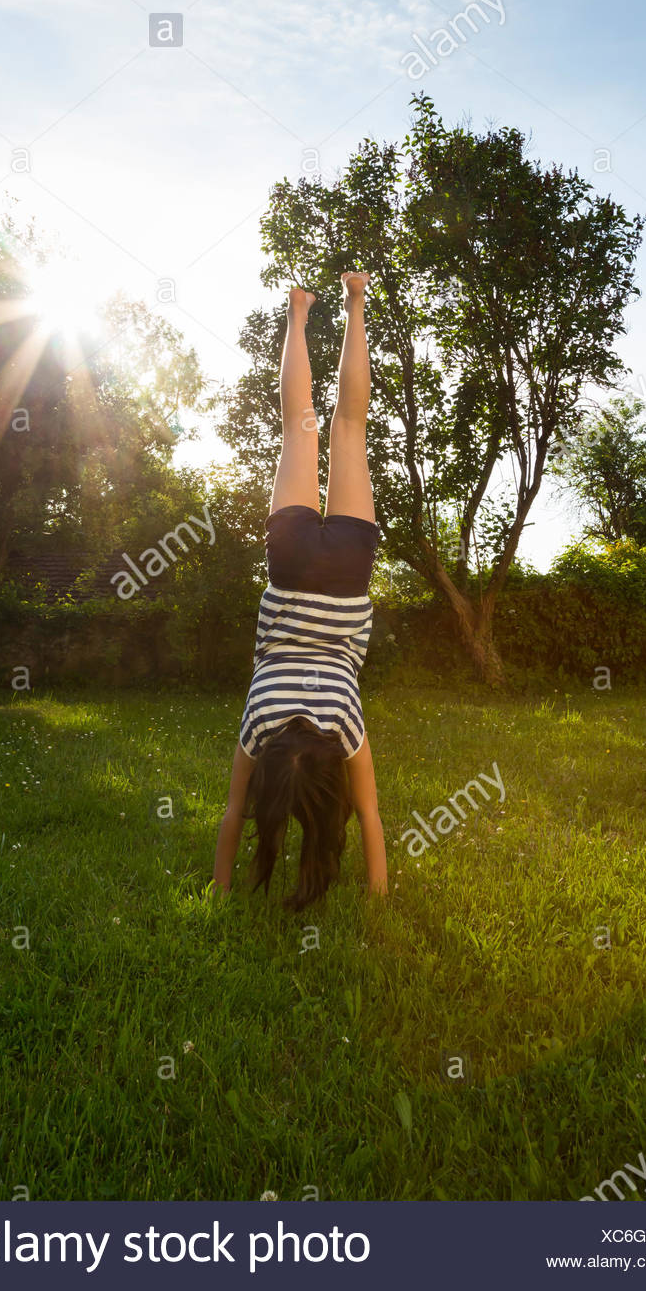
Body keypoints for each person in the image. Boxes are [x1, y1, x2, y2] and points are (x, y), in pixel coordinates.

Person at [211, 271, 388, 909]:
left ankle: (355, 302)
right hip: (288, 569)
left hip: (345, 573)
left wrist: (378, 895)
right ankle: (298, 313)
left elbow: (370, 819)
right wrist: (219, 886)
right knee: (300, 427)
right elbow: (233, 813)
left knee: (348, 429)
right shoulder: (260, 724)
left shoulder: (342, 725)